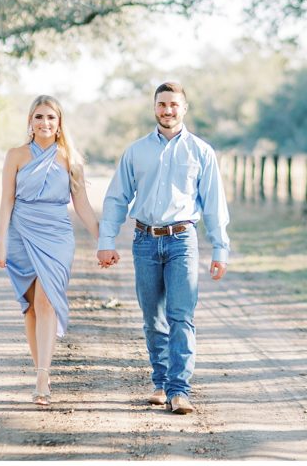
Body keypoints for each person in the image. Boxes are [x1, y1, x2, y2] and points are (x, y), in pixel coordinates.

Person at [97, 81, 229, 415]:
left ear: (184, 108)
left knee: (181, 315)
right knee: (152, 317)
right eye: (161, 104)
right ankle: (160, 383)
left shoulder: (201, 152)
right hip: (144, 241)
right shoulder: (136, 151)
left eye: (173, 104)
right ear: (154, 108)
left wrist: (220, 248)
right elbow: (116, 198)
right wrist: (106, 240)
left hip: (182, 239)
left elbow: (214, 204)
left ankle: (179, 390)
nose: (167, 110)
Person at [0, 95, 100, 406]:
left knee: (47, 300)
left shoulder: (70, 158)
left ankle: (42, 377)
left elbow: (81, 204)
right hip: (20, 233)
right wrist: (0, 240)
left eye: (51, 117)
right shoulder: (15, 155)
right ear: (30, 121)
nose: (45, 123)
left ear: (59, 122)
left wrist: (101, 238)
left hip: (56, 234)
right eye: (39, 117)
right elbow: (6, 201)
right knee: (30, 306)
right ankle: (40, 368)